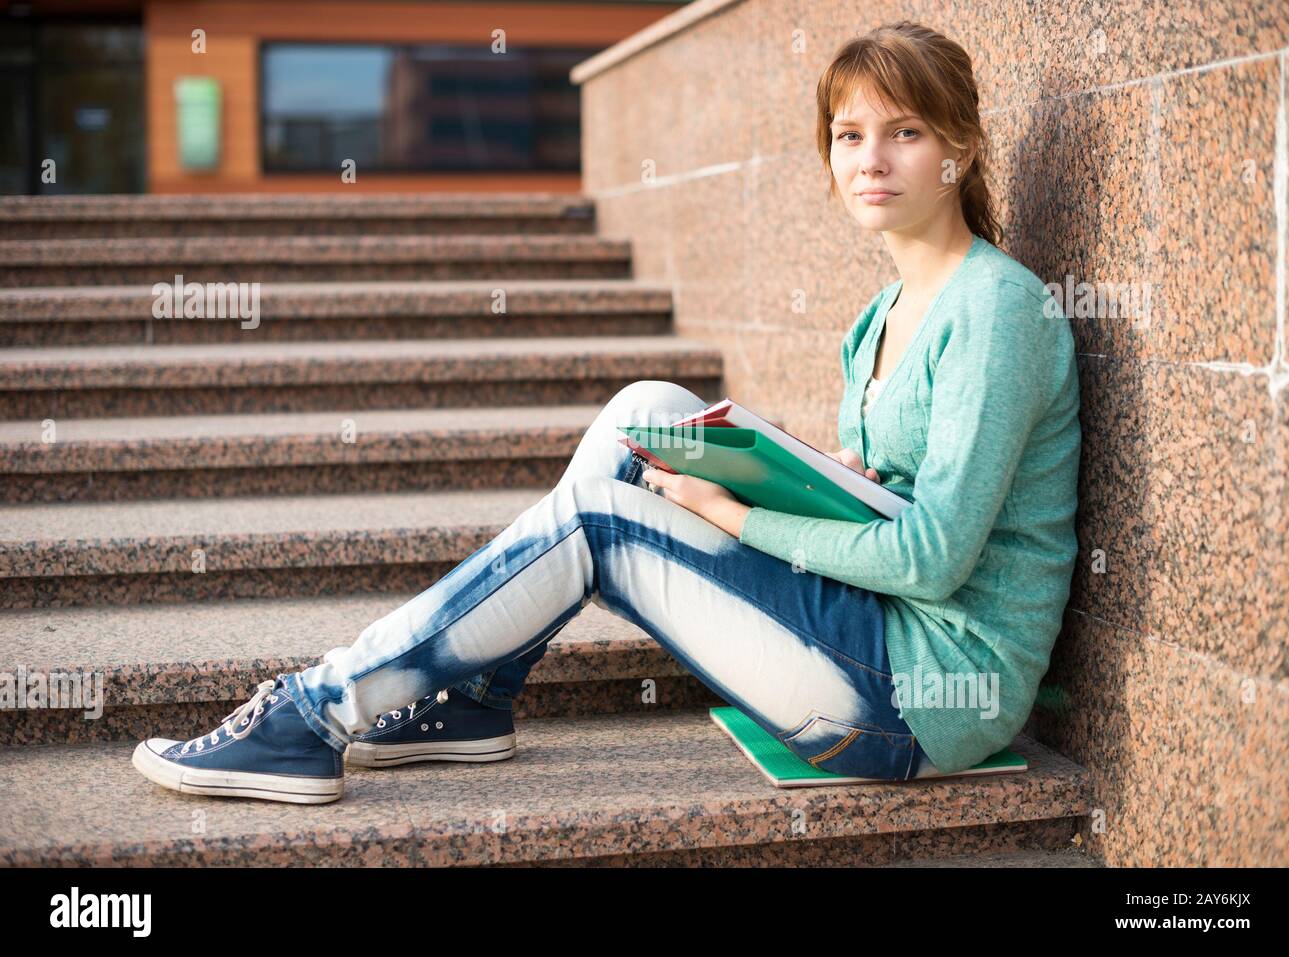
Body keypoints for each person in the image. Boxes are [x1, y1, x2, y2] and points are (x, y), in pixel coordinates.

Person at [130, 20, 1080, 804]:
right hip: (871, 630)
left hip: (924, 696)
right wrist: (824, 477)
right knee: (651, 409)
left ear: (959, 147)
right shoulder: (880, 316)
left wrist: (735, 512)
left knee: (599, 519)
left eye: (905, 132)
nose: (871, 158)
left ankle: (315, 711)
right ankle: (479, 697)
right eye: (848, 134)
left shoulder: (995, 309)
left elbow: (934, 556)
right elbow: (894, 501)